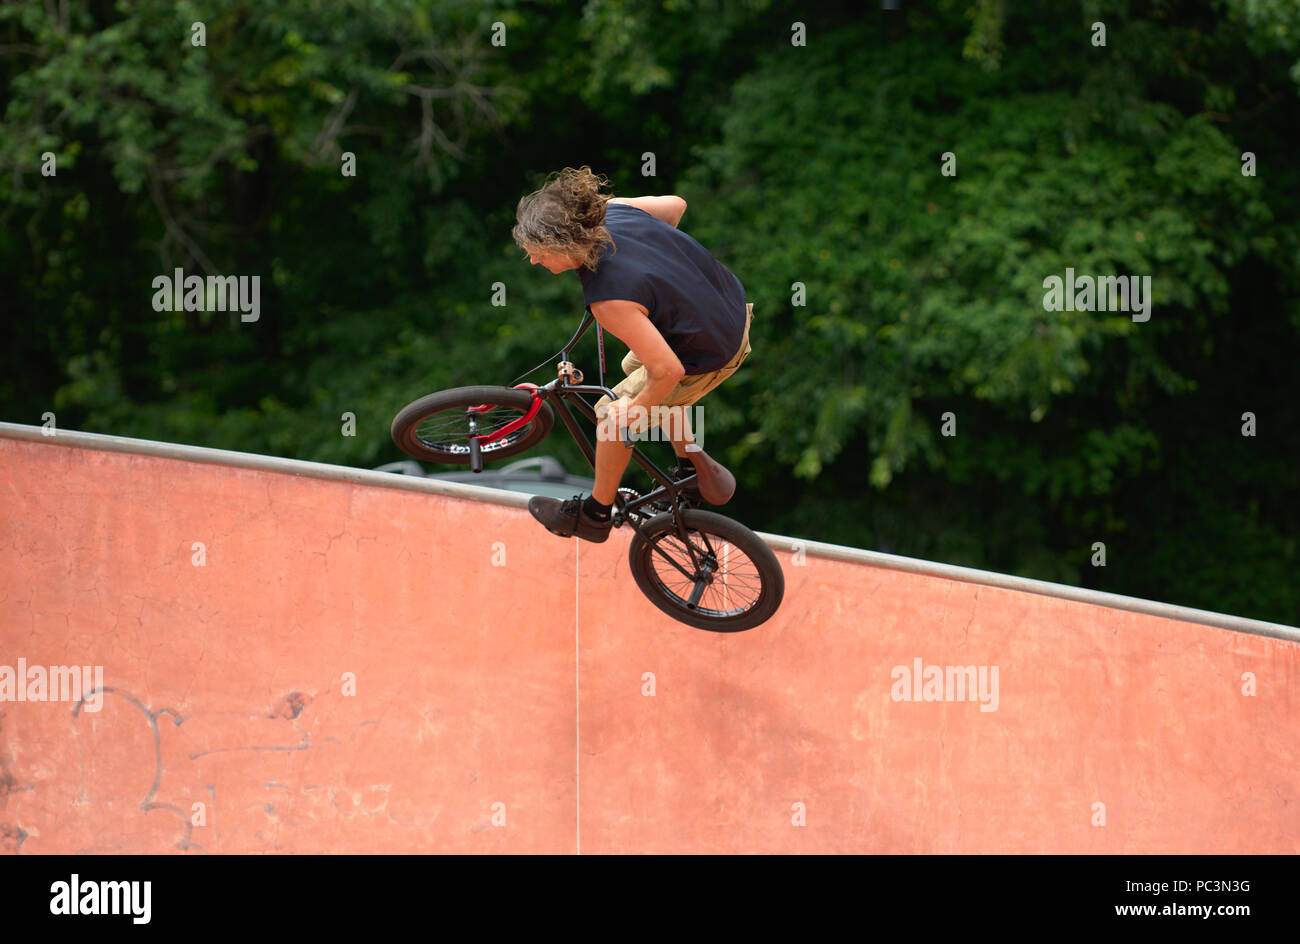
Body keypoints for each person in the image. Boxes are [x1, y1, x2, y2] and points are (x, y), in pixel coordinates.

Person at [512, 165, 753, 543]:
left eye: (538, 253)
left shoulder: (610, 300)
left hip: (713, 352)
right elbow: (675, 205)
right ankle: (690, 465)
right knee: (631, 363)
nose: (534, 262)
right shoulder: (613, 212)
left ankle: (595, 514)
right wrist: (655, 266)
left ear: (564, 244)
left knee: (610, 416)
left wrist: (634, 410)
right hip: (731, 309)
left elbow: (669, 371)